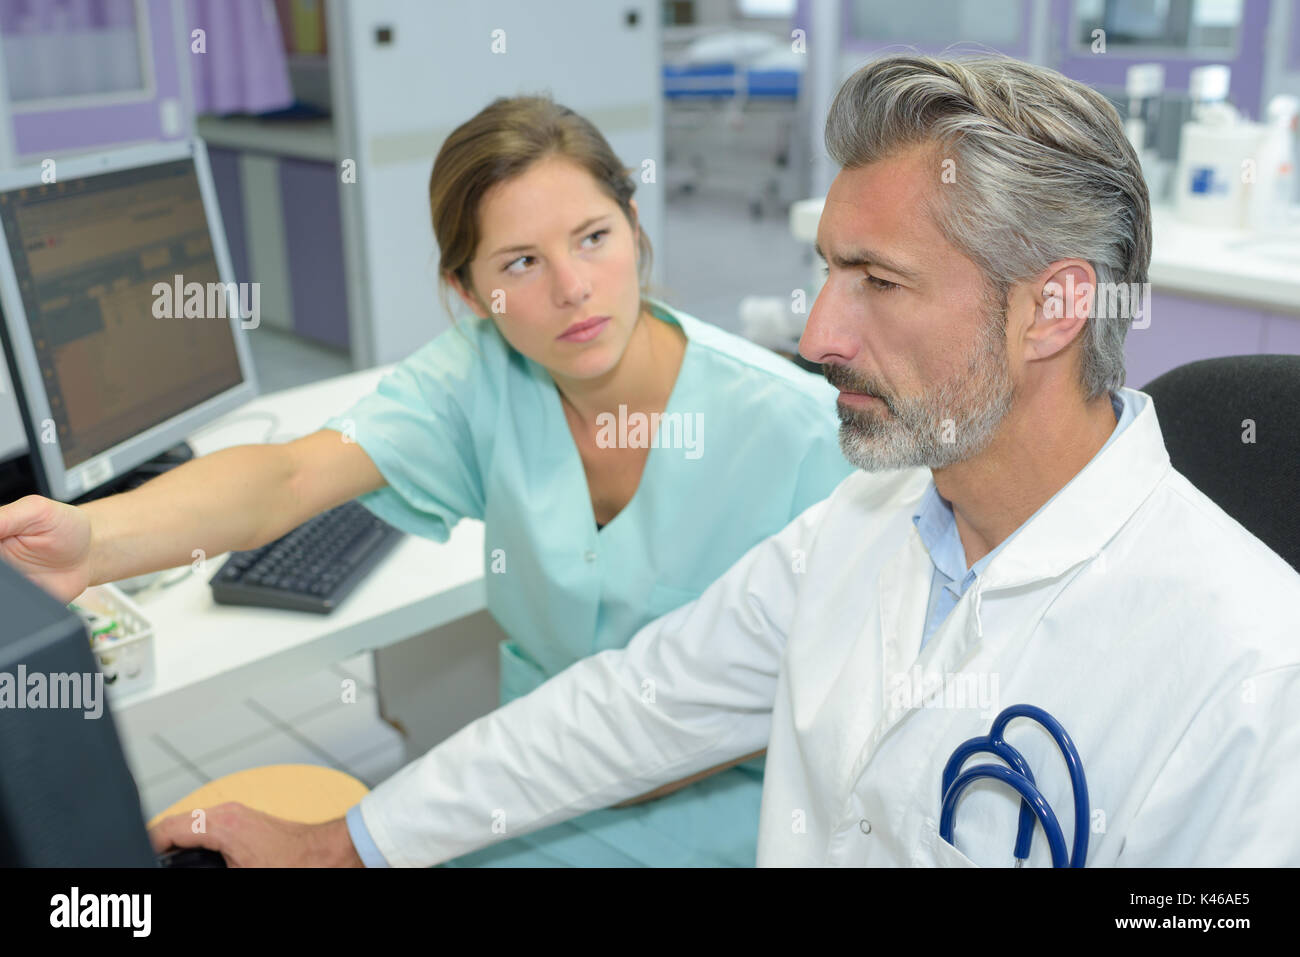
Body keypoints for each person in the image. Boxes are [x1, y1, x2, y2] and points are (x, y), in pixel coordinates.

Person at [150, 53, 1300, 867]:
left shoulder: (1247, 663)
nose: (817, 337)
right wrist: (346, 845)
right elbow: (626, 709)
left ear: (1053, 308)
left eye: (879, 283)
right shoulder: (861, 529)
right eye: (826, 272)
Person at [0, 96, 853, 867]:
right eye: (519, 263)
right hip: (520, 792)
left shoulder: (794, 431)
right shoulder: (481, 377)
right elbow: (290, 473)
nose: (572, 288)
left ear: (635, 225)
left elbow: (800, 704)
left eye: (594, 236)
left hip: (716, 814)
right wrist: (91, 542)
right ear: (470, 292)